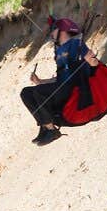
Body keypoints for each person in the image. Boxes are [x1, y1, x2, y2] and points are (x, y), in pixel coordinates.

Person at [20, 16, 100, 145]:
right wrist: (40, 81)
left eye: (53, 30)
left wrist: (92, 61)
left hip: (74, 88)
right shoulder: (60, 52)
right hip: (62, 86)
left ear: (62, 31)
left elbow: (93, 62)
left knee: (39, 92)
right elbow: (60, 77)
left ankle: (51, 130)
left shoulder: (75, 44)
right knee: (26, 93)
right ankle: (45, 127)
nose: (51, 34)